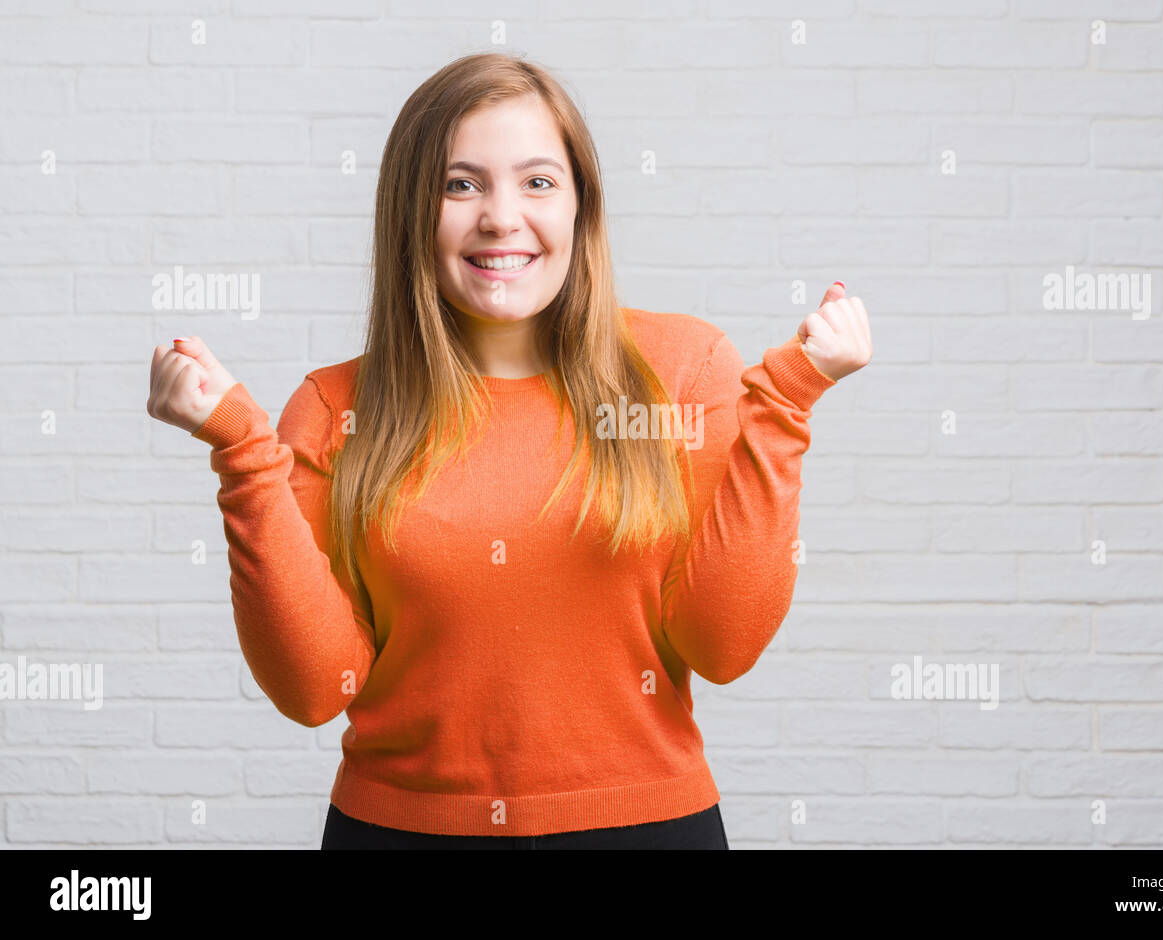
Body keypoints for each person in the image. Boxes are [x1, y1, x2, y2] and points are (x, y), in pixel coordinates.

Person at [145, 52, 872, 850]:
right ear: (411, 213)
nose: (500, 217)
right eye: (461, 184)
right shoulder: (336, 410)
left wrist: (789, 402)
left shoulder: (685, 372)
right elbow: (315, 689)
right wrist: (242, 452)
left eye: (537, 182)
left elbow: (722, 646)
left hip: (647, 831)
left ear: (579, 209)